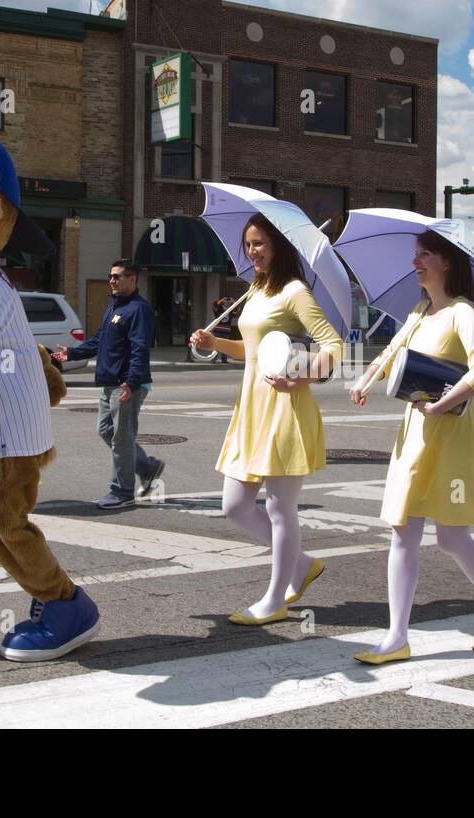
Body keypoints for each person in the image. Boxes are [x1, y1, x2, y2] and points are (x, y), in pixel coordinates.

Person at [348, 230, 474, 665]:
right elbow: (393, 354)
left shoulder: (462, 313)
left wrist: (444, 402)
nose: (416, 261)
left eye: (425, 254)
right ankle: (397, 636)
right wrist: (366, 379)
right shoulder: (419, 312)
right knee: (403, 531)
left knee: (453, 538)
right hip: (415, 434)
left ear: (448, 263)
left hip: (451, 434)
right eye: (415, 254)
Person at [189, 213, 343, 626]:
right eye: (248, 244)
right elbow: (254, 350)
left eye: (259, 243)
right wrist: (215, 342)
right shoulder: (255, 290)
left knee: (279, 508)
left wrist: (304, 376)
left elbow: (334, 345)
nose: (252, 250)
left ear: (277, 245)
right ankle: (303, 563)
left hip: (286, 406)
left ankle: (276, 599)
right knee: (235, 505)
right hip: (252, 408)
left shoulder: (294, 292)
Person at [54, 260, 164, 509]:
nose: (112, 281)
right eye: (111, 276)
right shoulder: (114, 307)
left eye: (118, 277)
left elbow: (139, 349)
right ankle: (147, 467)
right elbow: (99, 341)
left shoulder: (138, 310)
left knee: (121, 439)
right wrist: (72, 354)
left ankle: (122, 492)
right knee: (106, 430)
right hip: (109, 382)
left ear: (132, 279)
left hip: (126, 385)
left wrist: (131, 382)